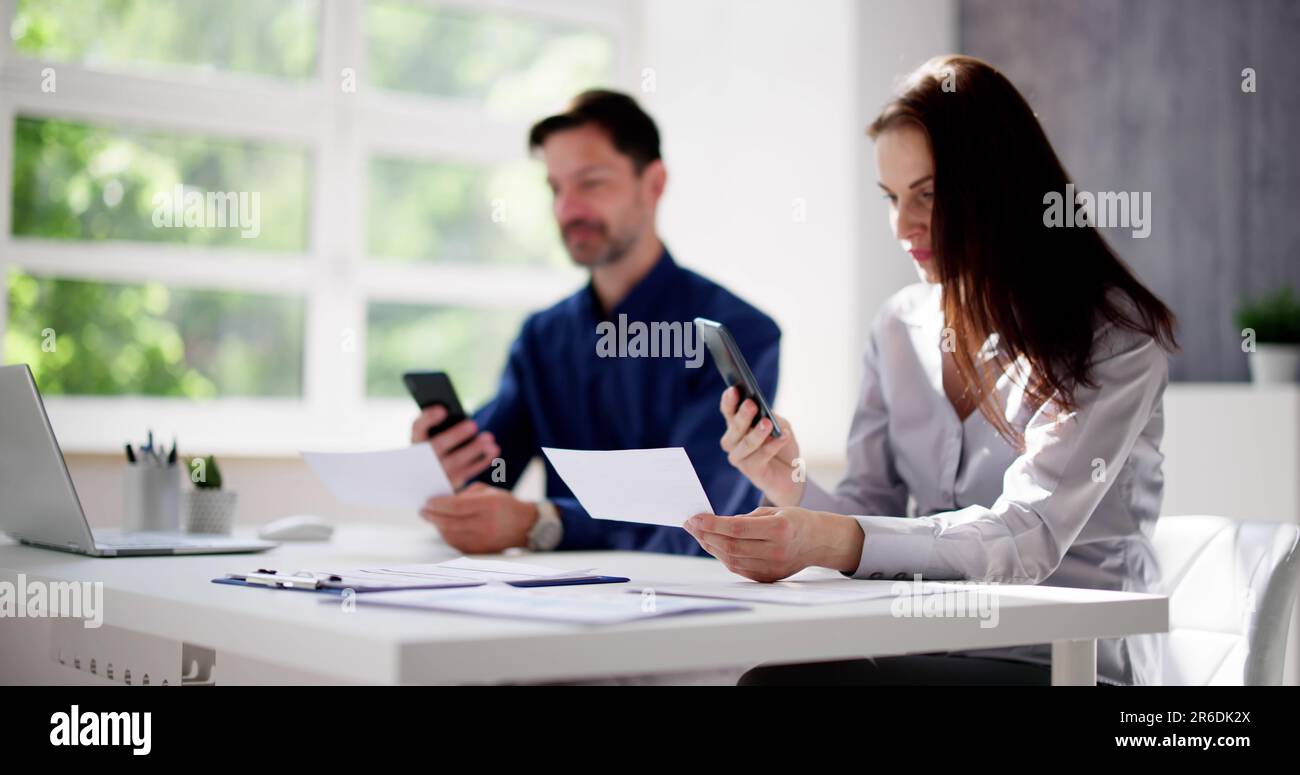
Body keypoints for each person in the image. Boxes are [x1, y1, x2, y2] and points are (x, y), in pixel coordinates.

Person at [684, 56, 1177, 685]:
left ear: (1002, 185)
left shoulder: (1112, 338)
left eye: (928, 194)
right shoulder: (897, 325)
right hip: (921, 647)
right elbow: (871, 506)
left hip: (1067, 663)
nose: (902, 226)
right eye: (891, 198)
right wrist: (793, 486)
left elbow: (1026, 536)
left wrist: (827, 538)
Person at [411, 90, 780, 557]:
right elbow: (491, 473)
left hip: (697, 604)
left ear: (654, 183)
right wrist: (441, 464)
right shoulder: (542, 338)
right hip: (554, 606)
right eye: (556, 188)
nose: (567, 209)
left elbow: (697, 514)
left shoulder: (739, 333)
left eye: (590, 183)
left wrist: (541, 522)